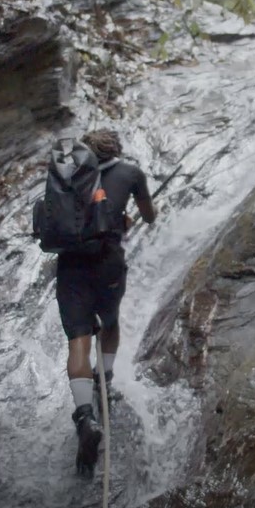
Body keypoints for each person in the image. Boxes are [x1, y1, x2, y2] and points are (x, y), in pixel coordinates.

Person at [56, 129, 157, 476]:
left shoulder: (68, 174)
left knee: (78, 341)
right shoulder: (130, 173)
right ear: (118, 150)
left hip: (71, 266)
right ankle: (106, 378)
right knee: (109, 324)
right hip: (108, 264)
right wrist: (126, 216)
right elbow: (151, 215)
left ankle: (85, 415)